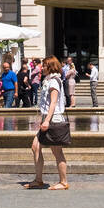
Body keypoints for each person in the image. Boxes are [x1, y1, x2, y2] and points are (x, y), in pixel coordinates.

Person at [24, 55, 70, 190]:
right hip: (48, 118)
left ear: (50, 67)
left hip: (53, 119)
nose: (41, 67)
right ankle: (38, 180)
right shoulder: (48, 79)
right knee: (35, 146)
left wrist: (47, 121)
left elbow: (54, 103)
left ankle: (63, 182)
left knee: (57, 151)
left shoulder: (54, 81)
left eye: (44, 65)